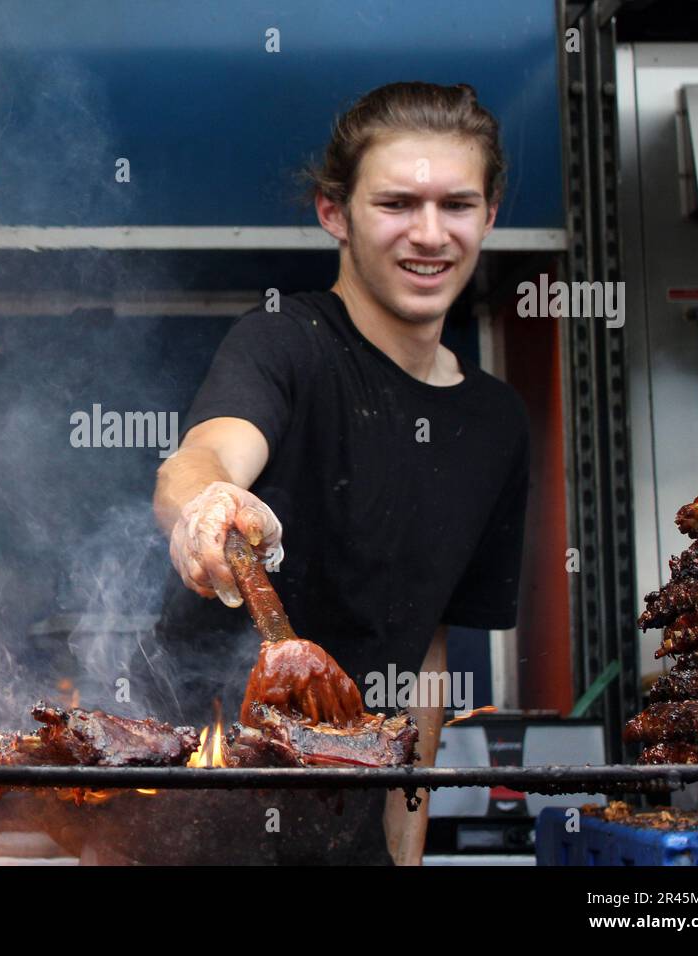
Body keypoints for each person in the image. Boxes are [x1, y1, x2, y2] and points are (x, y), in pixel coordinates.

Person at [151, 81, 530, 865]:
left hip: (345, 831)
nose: (430, 235)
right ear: (335, 213)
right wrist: (205, 505)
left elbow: (427, 653)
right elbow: (205, 458)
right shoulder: (284, 343)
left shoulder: (496, 422)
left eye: (457, 205)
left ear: (489, 215)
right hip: (187, 821)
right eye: (396, 204)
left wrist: (404, 852)